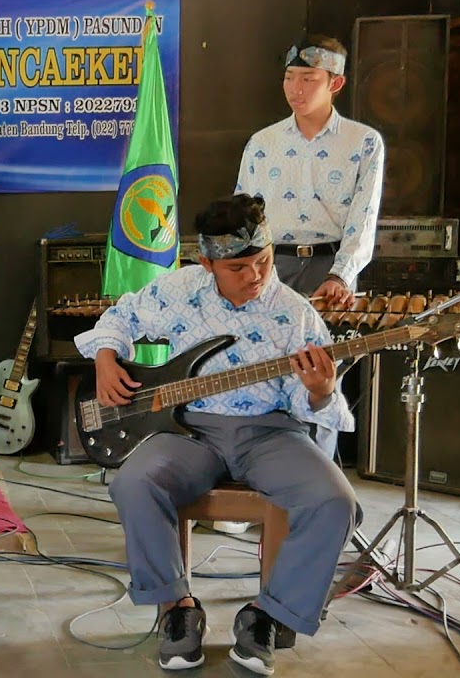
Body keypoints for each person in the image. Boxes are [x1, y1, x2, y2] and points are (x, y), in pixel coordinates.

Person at [74, 194, 357, 676]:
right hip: (187, 431)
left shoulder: (297, 314)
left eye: (264, 261)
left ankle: (267, 616)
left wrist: (320, 392)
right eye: (239, 267)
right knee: (132, 481)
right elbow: (119, 319)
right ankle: (178, 611)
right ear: (206, 263)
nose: (256, 276)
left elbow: (314, 407)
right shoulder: (179, 288)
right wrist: (105, 358)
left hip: (270, 433)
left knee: (335, 501)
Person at [235, 34, 385, 308]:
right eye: (289, 77)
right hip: (269, 267)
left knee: (325, 349)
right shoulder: (262, 143)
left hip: (330, 267)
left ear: (335, 83)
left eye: (308, 79)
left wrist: (339, 276)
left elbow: (363, 218)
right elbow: (243, 217)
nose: (295, 88)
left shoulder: (363, 142)